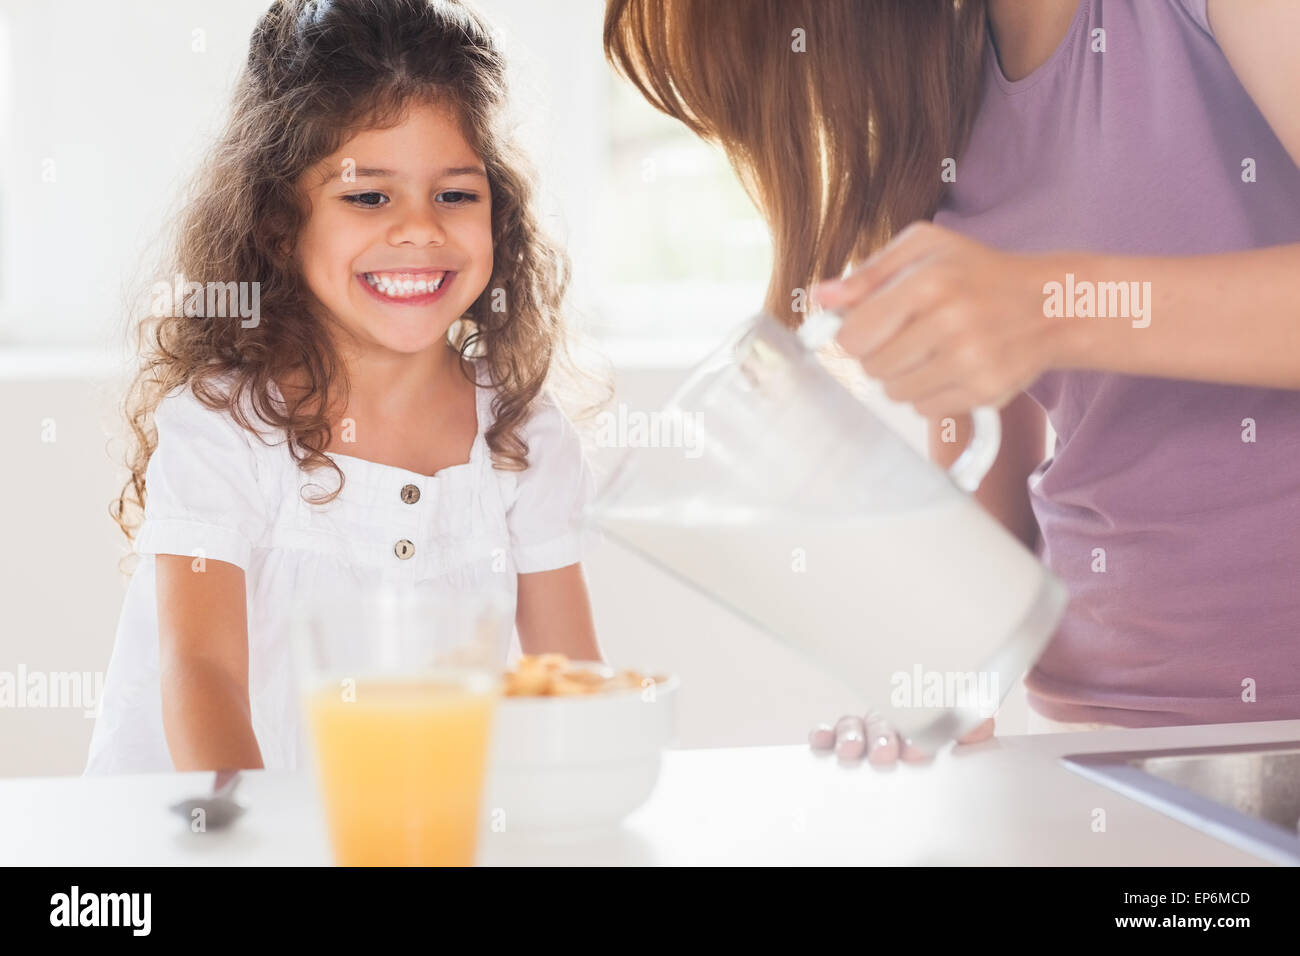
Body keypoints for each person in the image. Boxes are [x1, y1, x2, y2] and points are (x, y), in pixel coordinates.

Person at [604, 0, 1300, 761]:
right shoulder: (939, 105)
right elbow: (984, 482)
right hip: (1096, 730)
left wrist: (1050, 306)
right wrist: (937, 675)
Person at [86, 0, 602, 774]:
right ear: (278, 223)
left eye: (456, 195)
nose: (420, 229)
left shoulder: (521, 436)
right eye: (369, 197)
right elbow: (205, 677)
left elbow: (575, 686)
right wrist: (263, 845)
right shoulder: (225, 428)